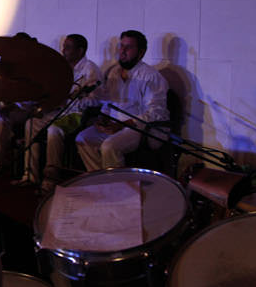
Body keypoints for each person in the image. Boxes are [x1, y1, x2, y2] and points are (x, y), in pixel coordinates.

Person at [76, 30, 169, 171]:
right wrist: (103, 118)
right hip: (115, 125)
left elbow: (155, 113)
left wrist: (122, 125)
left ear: (141, 52)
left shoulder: (151, 76)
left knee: (109, 146)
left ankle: (117, 189)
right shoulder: (114, 72)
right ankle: (100, 180)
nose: (123, 51)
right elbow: (108, 102)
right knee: (83, 139)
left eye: (129, 47)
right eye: (121, 46)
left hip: (140, 129)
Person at [22, 34, 101, 188]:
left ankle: (51, 179)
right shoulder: (62, 67)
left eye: (68, 47)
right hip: (57, 110)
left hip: (76, 114)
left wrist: (75, 99)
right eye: (64, 46)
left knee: (54, 130)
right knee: (31, 124)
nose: (63, 50)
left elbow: (96, 100)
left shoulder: (91, 70)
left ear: (81, 51)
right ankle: (30, 175)